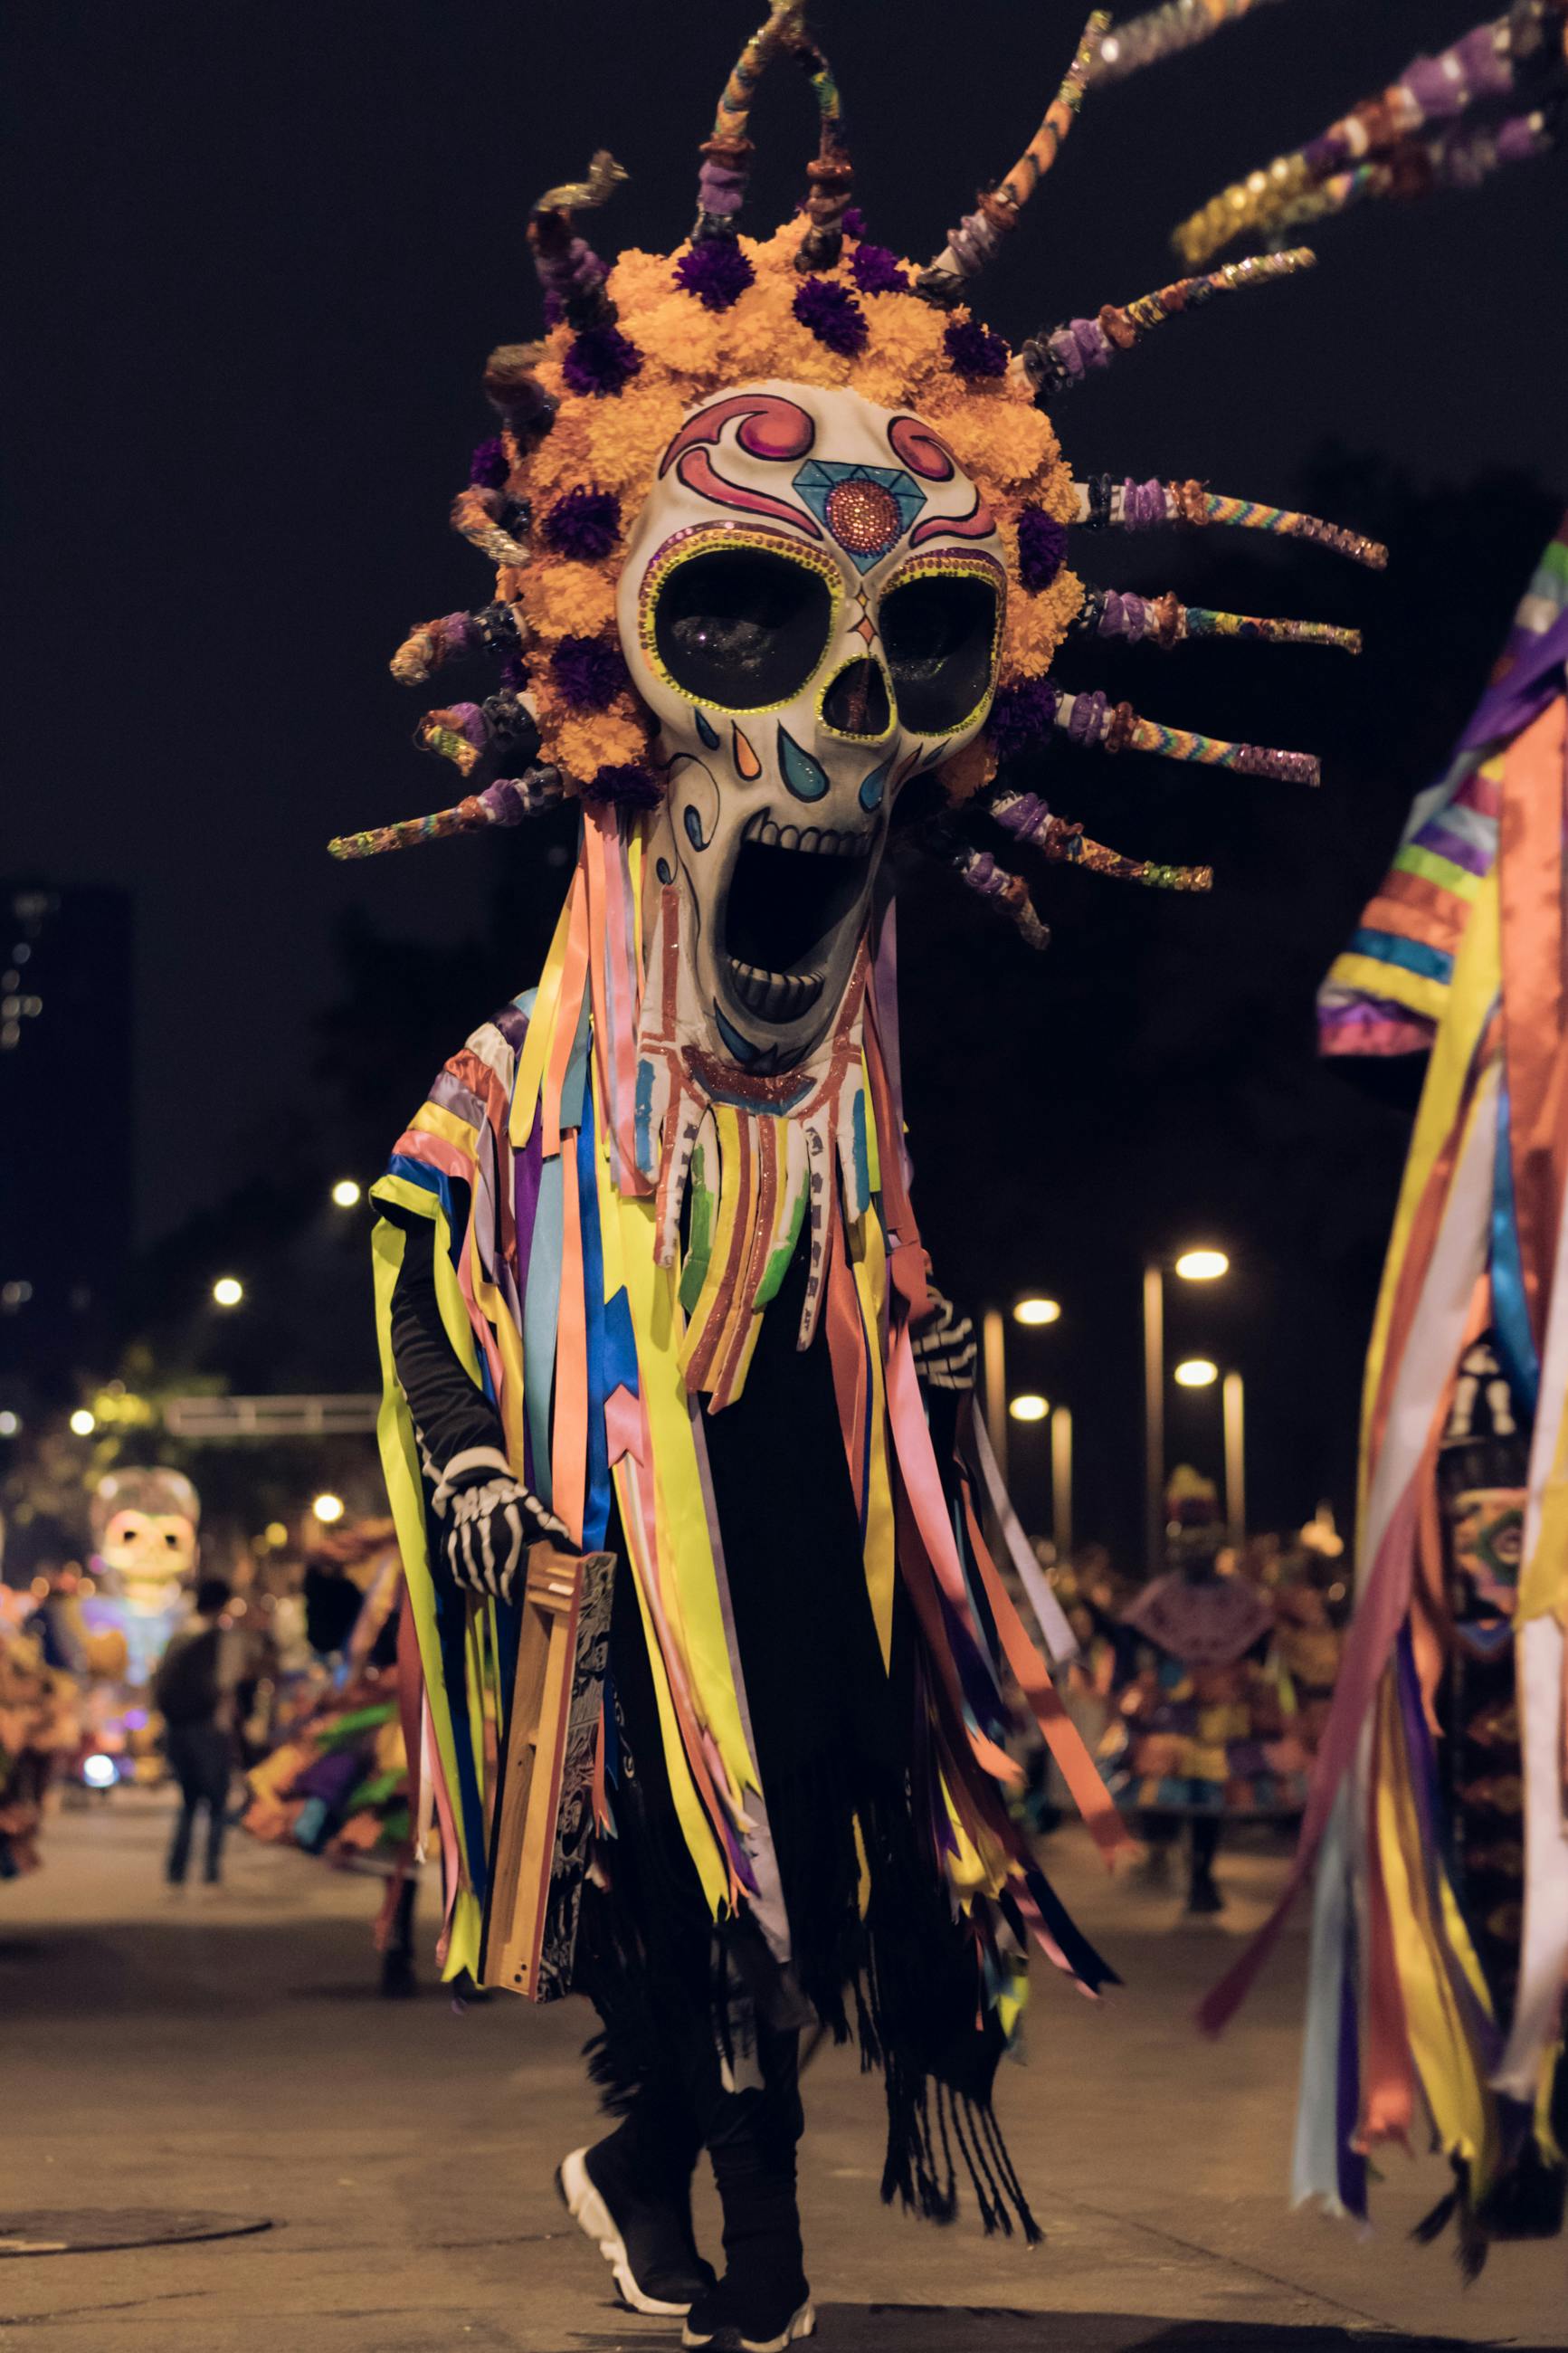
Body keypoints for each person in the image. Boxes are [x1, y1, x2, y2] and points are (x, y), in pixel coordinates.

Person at [338, 12, 1386, 2345]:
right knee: (695, 1876)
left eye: (912, 646)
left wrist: (916, 1366)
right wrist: (486, 1458)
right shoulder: (522, 1070)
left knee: (820, 1859)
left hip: (804, 1520)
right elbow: (414, 1252)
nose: (832, 724)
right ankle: (749, 2234)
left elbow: (868, 1283)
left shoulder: (837, 1101)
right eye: (745, 625)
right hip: (624, 1530)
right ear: (615, 672)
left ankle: (655, 2172)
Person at [152, 1577, 237, 1891]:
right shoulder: (219, 1637)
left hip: (178, 1727)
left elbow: (160, 1680)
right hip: (209, 1728)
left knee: (187, 1801)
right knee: (216, 1801)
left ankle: (177, 1868)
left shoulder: (179, 1634)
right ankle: (212, 1869)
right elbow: (225, 1684)